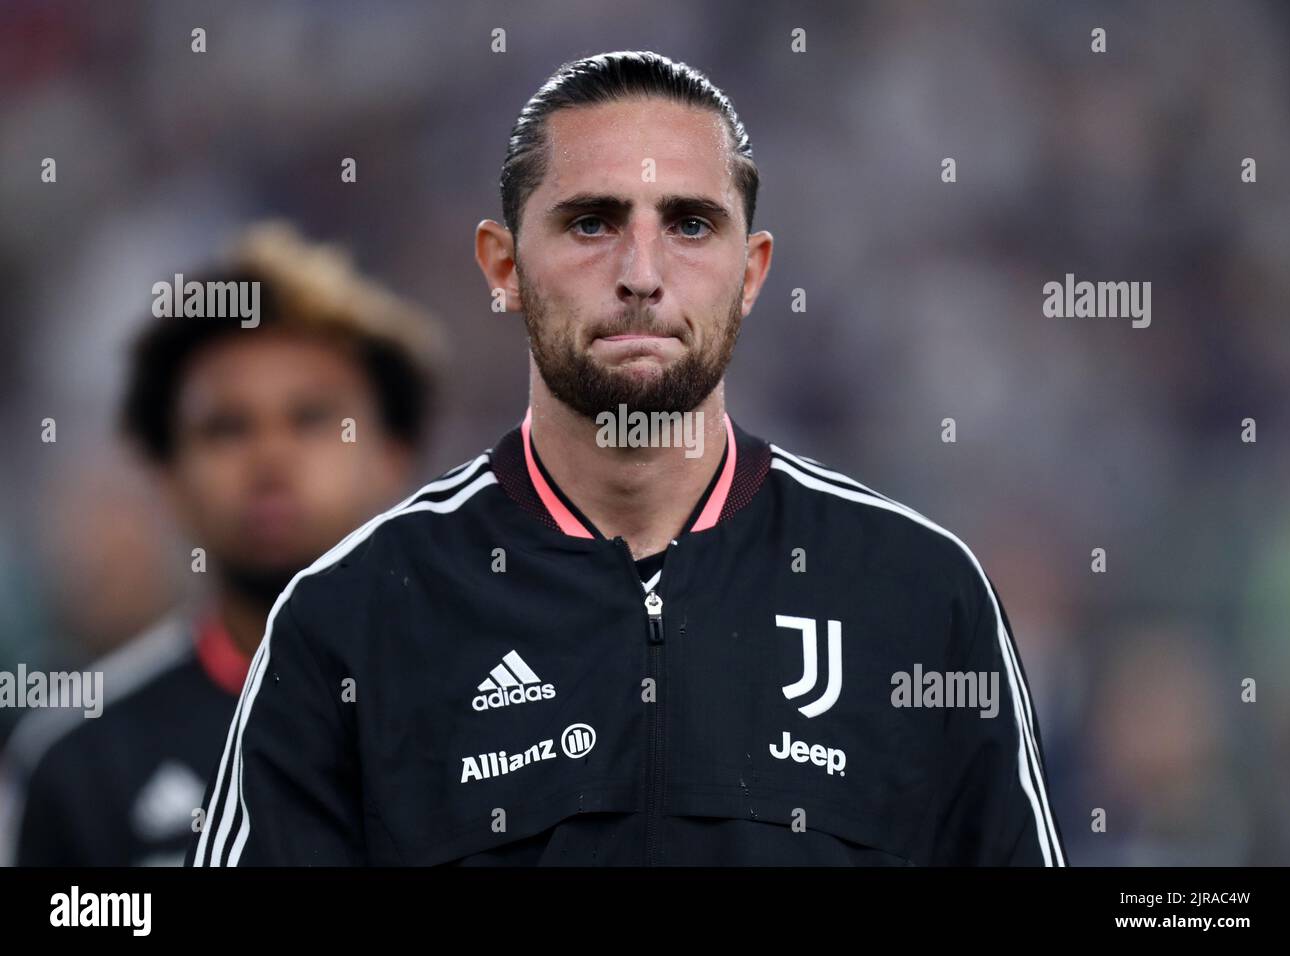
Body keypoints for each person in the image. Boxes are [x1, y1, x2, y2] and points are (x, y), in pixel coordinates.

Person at [189, 52, 1067, 866]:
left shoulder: (919, 597)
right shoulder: (353, 622)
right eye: (591, 223)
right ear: (503, 266)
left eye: (690, 224)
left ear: (752, 272)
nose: (641, 273)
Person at [0, 223, 442, 865]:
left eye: (311, 418)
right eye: (226, 427)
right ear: (168, 475)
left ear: (392, 455)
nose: (270, 458)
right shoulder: (78, 762)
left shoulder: (513, 700)